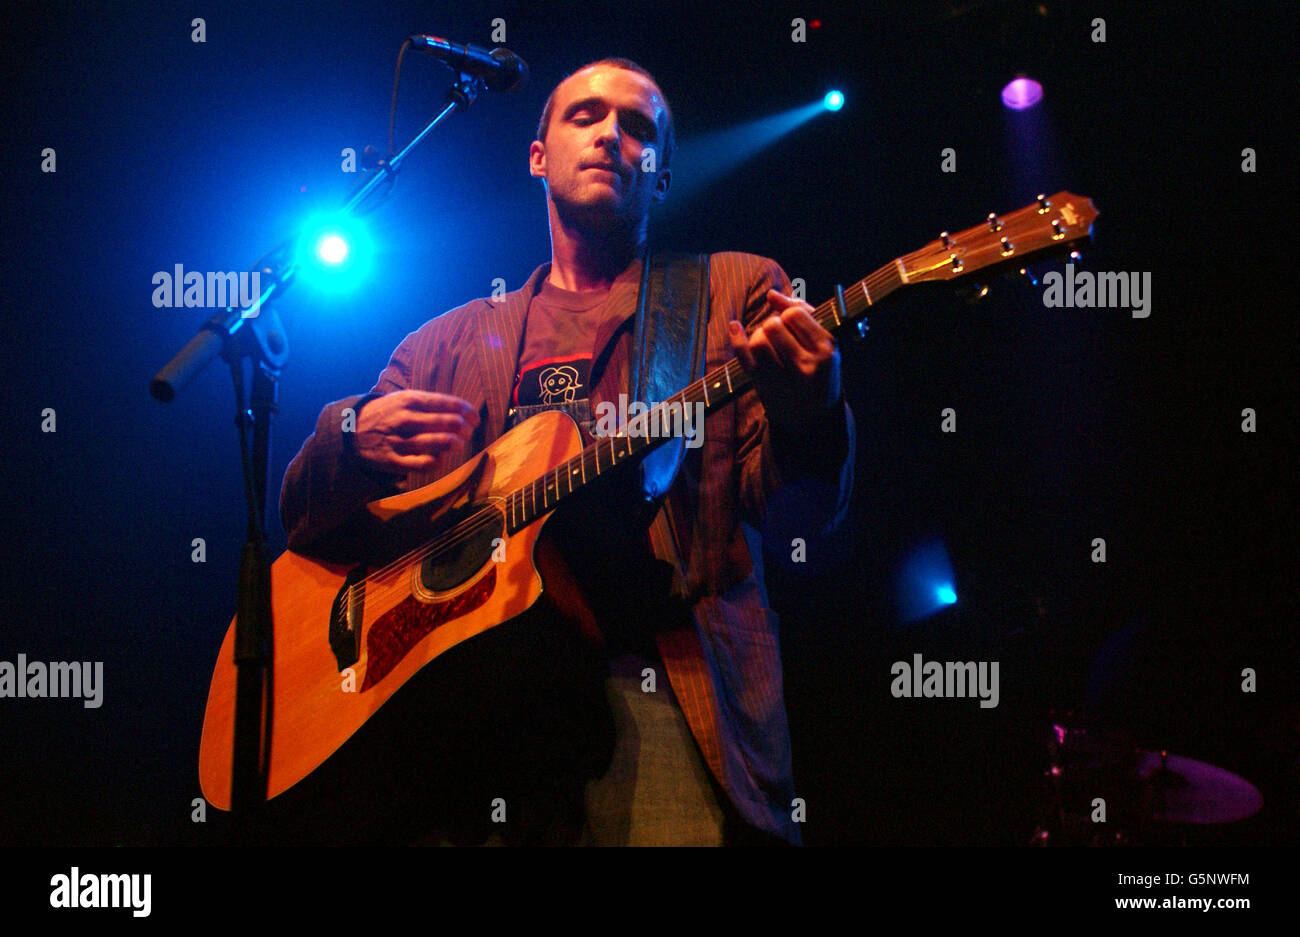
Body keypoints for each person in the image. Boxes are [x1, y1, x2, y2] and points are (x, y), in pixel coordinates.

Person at [279, 58, 854, 845]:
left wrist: (811, 409)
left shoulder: (731, 294)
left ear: (660, 172)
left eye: (639, 127)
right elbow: (307, 522)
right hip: (460, 734)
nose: (612, 135)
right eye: (585, 116)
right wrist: (347, 436)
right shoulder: (442, 342)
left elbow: (798, 516)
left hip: (656, 694)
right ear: (537, 155)